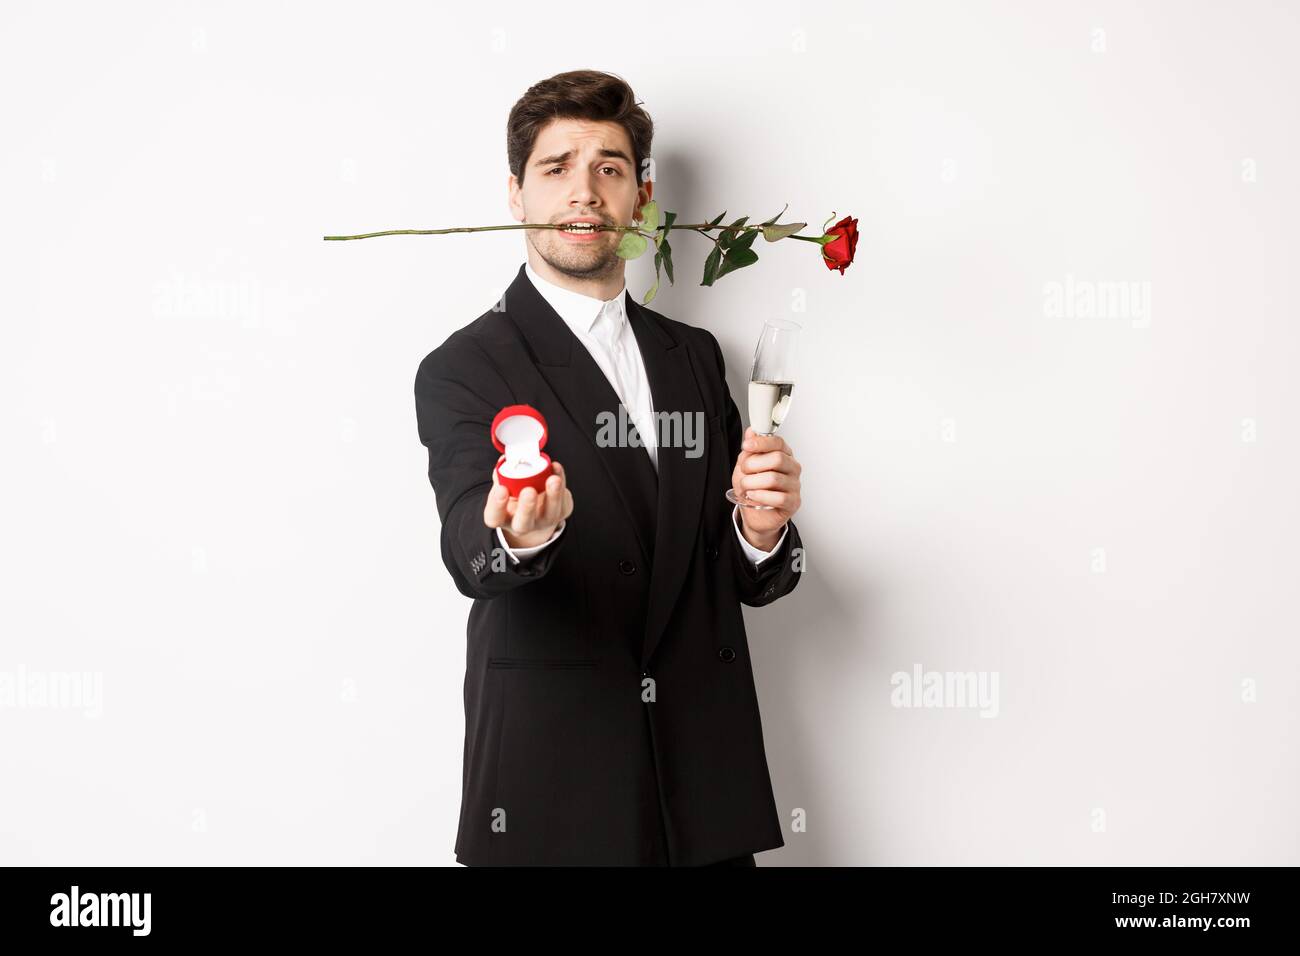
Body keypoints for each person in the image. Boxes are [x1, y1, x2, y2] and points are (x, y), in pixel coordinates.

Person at [414, 70, 804, 866]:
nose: (584, 191)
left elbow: (738, 571)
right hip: (553, 792)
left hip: (704, 788)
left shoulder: (694, 357)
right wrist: (520, 535)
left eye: (610, 168)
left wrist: (760, 529)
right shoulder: (463, 366)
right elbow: (469, 547)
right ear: (517, 196)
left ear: (641, 199)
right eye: (556, 168)